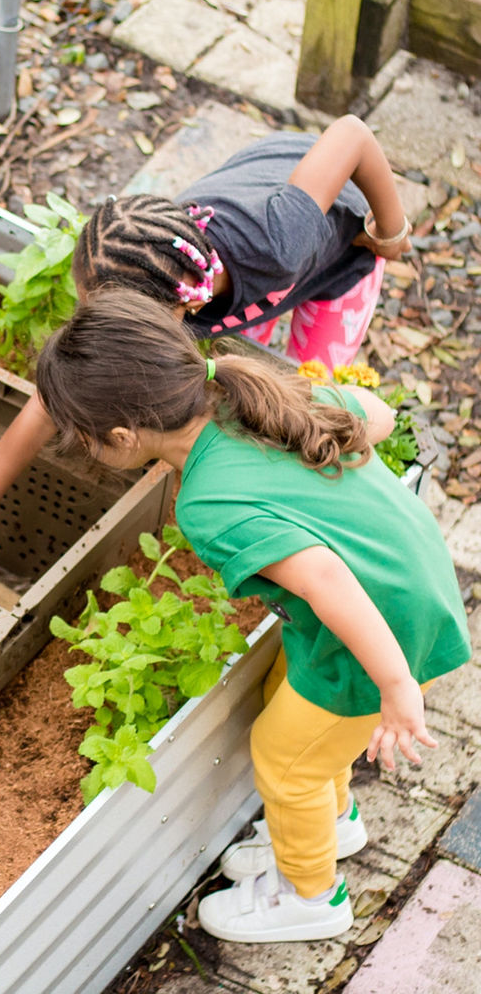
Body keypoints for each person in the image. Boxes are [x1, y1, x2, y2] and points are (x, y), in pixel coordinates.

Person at [33, 287, 470, 944]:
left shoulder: (207, 502)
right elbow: (376, 415)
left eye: (80, 436)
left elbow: (323, 576)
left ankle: (312, 896)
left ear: (121, 437)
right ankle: (334, 821)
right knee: (289, 703)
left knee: (285, 757)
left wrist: (396, 685)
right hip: (413, 577)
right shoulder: (256, 396)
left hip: (384, 632)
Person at [0, 113, 411, 581]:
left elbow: (349, 133)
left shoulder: (274, 243)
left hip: (337, 244)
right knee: (241, 369)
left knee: (306, 391)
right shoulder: (150, 263)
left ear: (171, 315)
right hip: (253, 215)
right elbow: (42, 408)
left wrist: (391, 232)